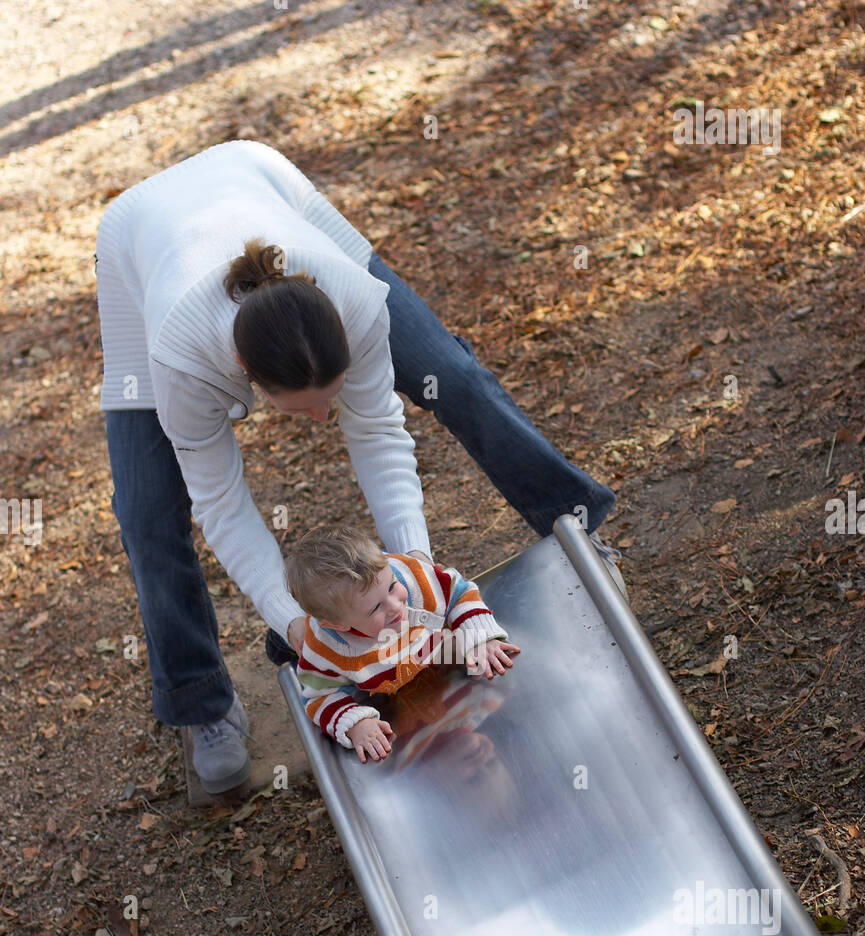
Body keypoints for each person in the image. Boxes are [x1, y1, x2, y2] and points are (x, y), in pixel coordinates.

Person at [95, 140, 619, 794]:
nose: (325, 419)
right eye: (308, 409)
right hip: (139, 247)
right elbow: (223, 503)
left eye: (332, 398)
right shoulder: (184, 364)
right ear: (246, 378)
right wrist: (294, 624)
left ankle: (576, 526)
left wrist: (417, 576)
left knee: (449, 377)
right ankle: (202, 708)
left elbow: (377, 432)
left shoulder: (351, 300)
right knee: (147, 514)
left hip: (257, 178)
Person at [285, 525, 520, 762]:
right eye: (376, 608)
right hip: (392, 702)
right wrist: (355, 723)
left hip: (442, 660)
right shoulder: (326, 650)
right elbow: (319, 697)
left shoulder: (412, 579)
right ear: (338, 625)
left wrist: (480, 637)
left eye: (391, 587)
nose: (396, 606)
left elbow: (459, 593)